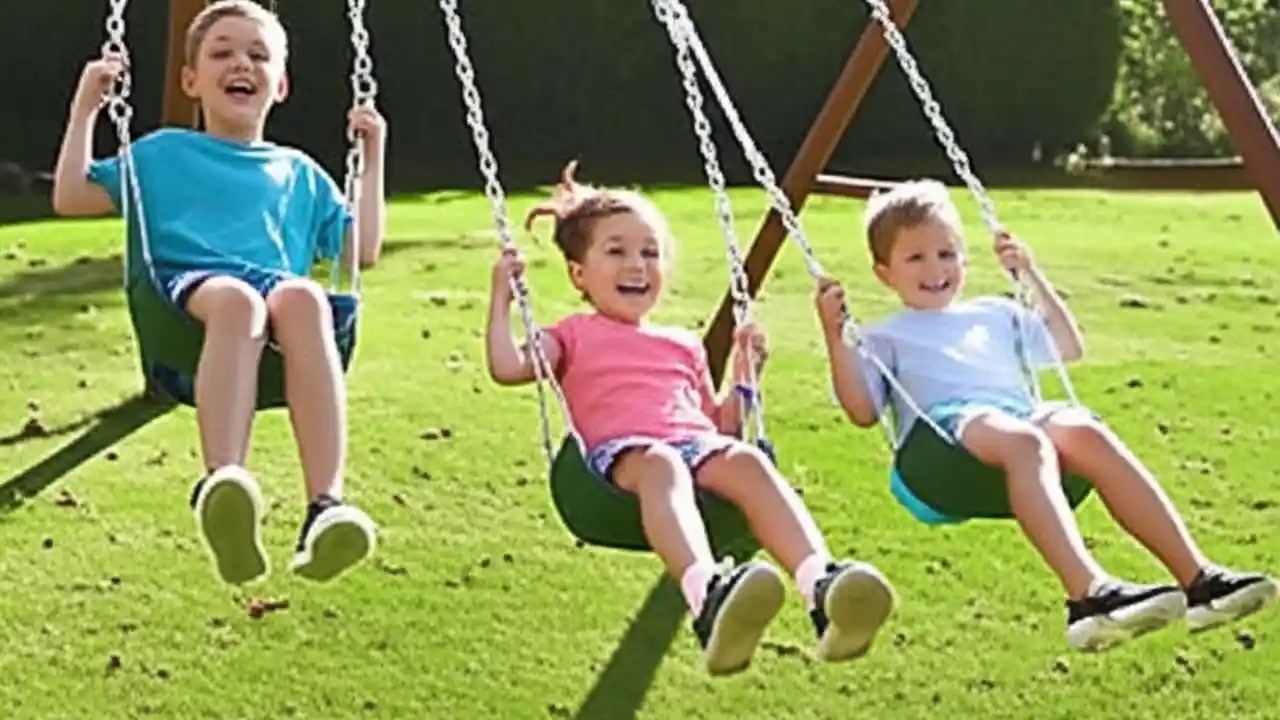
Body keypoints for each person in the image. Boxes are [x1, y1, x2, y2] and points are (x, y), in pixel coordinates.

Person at [815, 178, 1277, 652]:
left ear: (964, 258)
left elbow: (1067, 346)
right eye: (916, 258)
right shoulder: (884, 337)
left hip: (1016, 418)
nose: (936, 269)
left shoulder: (996, 312)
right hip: (944, 439)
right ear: (884, 272)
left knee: (1083, 430)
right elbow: (863, 411)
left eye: (947, 253)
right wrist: (835, 335)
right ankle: (1088, 594)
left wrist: (1030, 275)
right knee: (1026, 439)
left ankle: (1200, 581)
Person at [486, 161, 897, 676]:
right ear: (578, 274)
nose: (637, 265)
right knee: (661, 463)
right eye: (616, 252)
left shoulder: (683, 345)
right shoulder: (570, 334)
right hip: (619, 461)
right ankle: (709, 596)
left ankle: (823, 587)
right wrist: (502, 295)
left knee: (744, 460)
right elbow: (508, 366)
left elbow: (717, 424)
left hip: (693, 445)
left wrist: (746, 378)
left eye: (650, 252)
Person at [51, 0, 386, 586]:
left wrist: (373, 153)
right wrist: (86, 108)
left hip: (275, 302)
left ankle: (324, 507)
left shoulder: (298, 171)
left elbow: (361, 251)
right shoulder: (162, 152)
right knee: (237, 299)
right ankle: (223, 484)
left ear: (279, 84)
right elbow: (72, 195)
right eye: (223, 52)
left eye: (259, 55)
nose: (242, 64)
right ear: (191, 80)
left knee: (304, 299)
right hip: (184, 290)